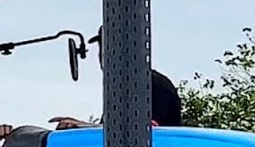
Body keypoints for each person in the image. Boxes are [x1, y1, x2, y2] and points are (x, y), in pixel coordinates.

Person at [50, 26, 183, 129]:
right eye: (101, 49)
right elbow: (110, 135)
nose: (102, 56)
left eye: (109, 49)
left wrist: (82, 126)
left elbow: (145, 131)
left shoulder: (154, 84)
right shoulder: (119, 90)